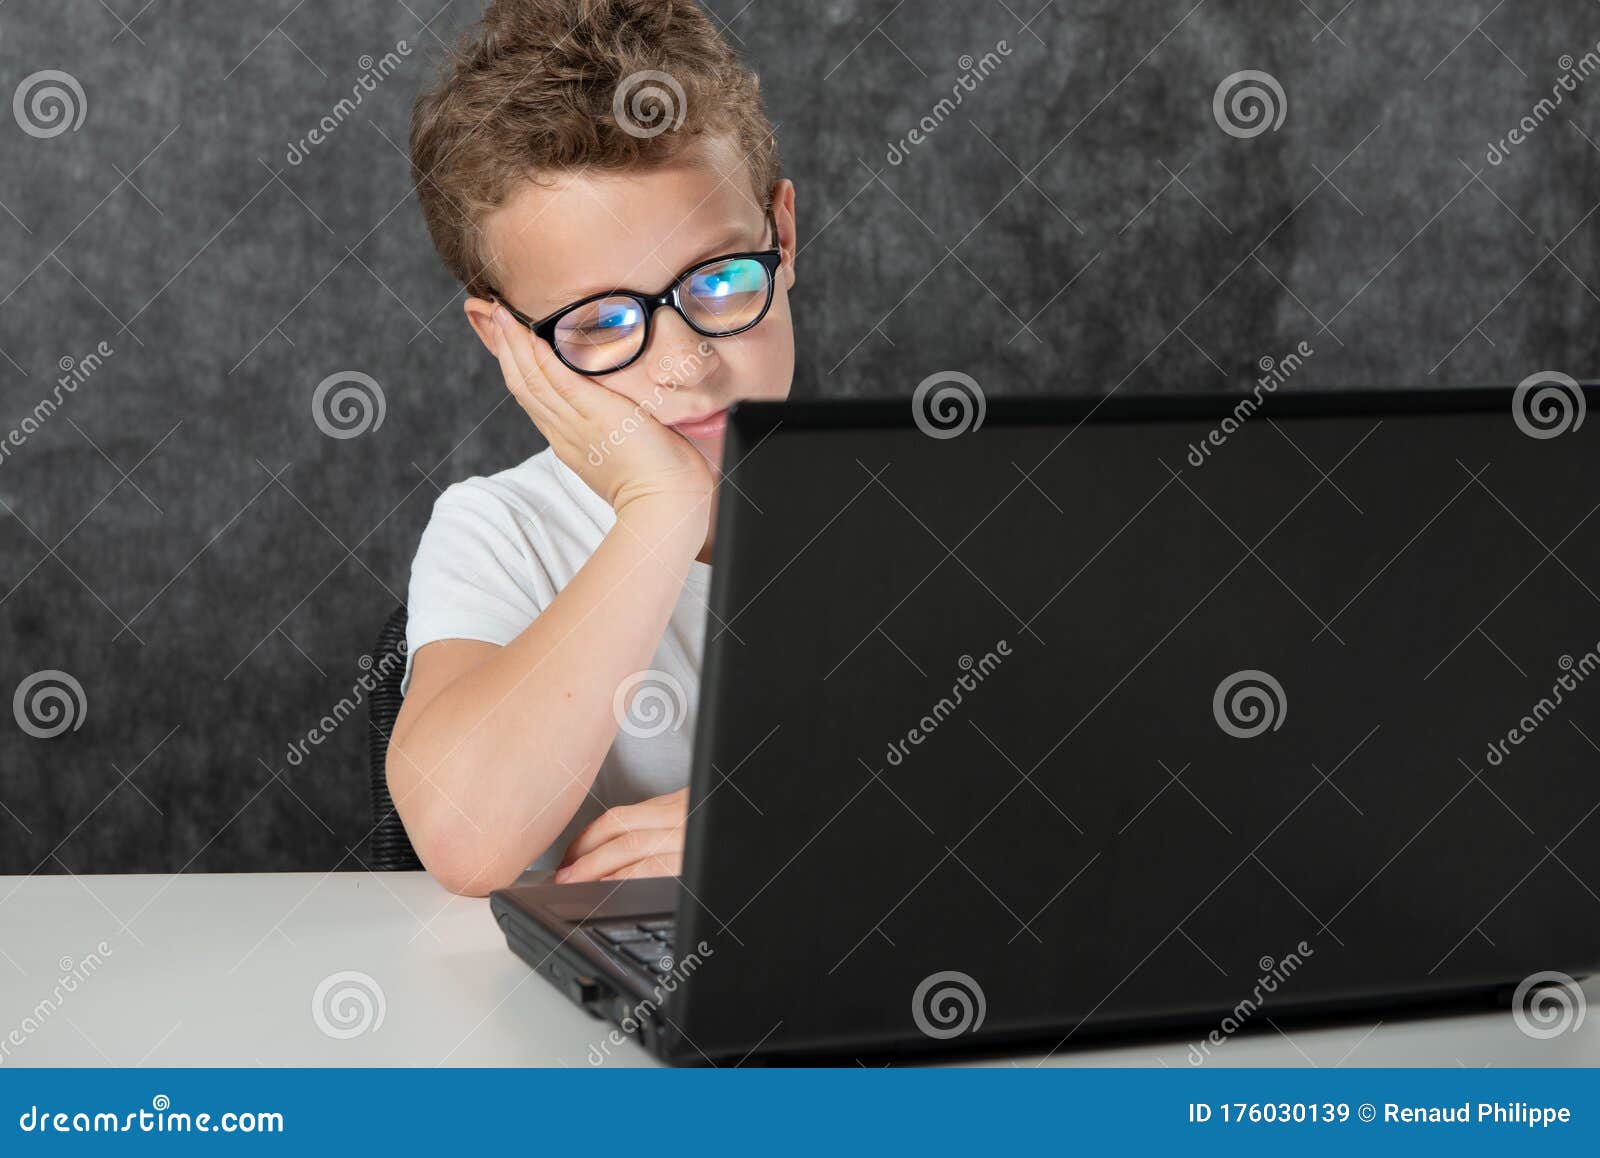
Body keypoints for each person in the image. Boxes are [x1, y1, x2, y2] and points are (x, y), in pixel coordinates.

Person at [389, 0, 796, 896]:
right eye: (606, 322)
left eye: (722, 280)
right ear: (508, 341)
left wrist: (782, 826)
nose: (686, 363)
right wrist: (662, 509)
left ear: (784, 236)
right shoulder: (501, 531)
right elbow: (464, 839)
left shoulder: (914, 506)